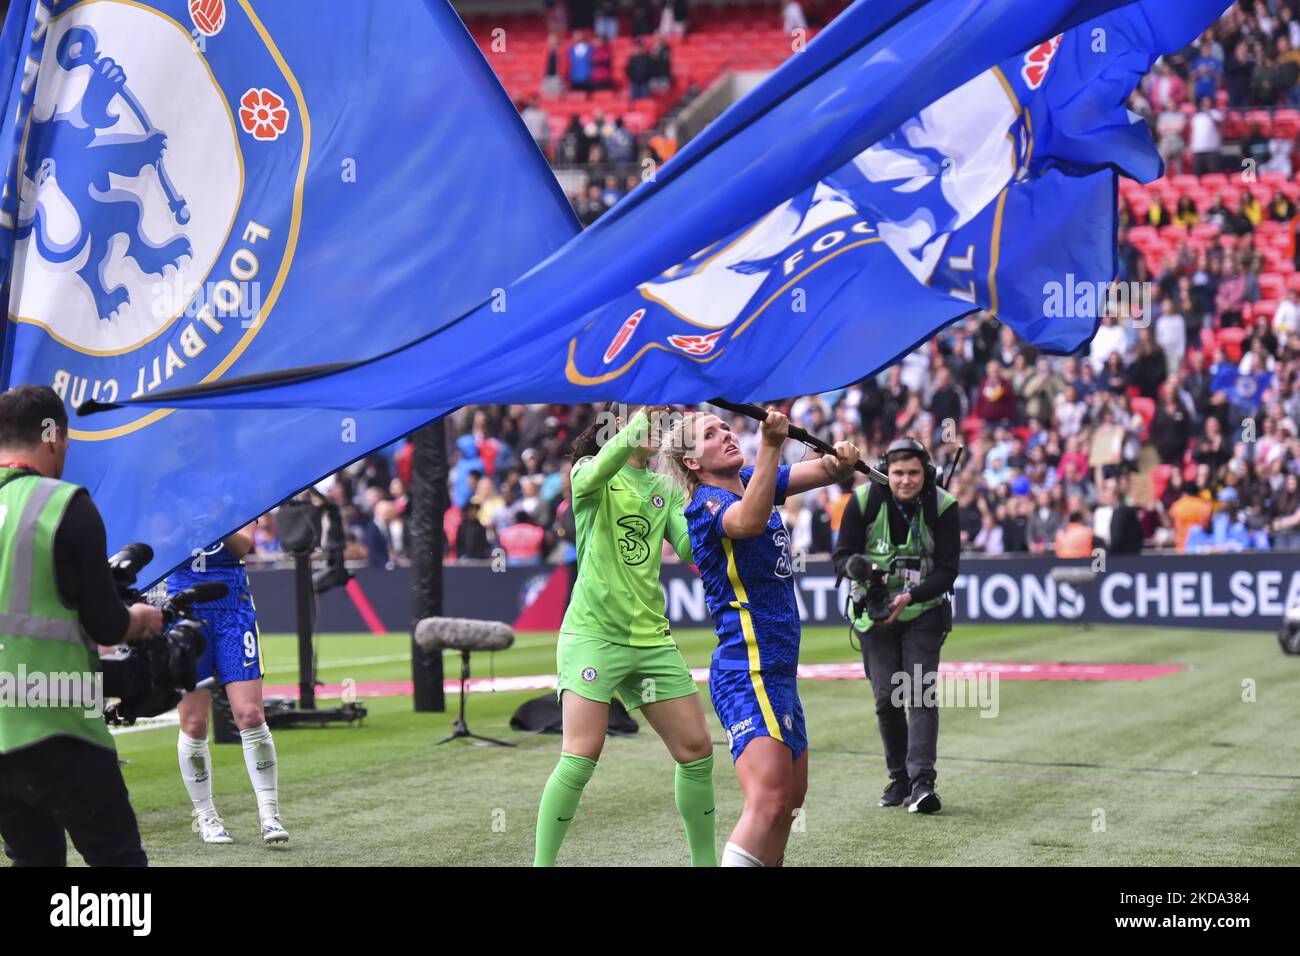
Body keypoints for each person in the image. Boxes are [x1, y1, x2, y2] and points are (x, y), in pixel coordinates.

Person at [660, 408, 858, 866]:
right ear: (692, 462)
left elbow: (825, 469)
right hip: (746, 670)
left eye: (725, 427)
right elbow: (747, 521)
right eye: (710, 435)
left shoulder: (753, 478)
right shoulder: (705, 505)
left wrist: (842, 459)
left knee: (789, 800)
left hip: (778, 672)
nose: (726, 434)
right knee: (768, 799)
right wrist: (772, 444)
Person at [533, 406, 717, 867]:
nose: (659, 432)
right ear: (618, 428)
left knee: (696, 753)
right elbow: (595, 472)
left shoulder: (664, 488)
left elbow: (693, 547)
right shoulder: (588, 474)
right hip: (592, 635)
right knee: (581, 754)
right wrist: (635, 422)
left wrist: (715, 501)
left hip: (651, 640)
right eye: (650, 425)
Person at [0, 385, 163, 866]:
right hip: (59, 723)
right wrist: (141, 619)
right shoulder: (64, 503)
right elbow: (107, 624)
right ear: (53, 436)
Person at [832, 437, 959, 814]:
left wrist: (911, 596)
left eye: (914, 473)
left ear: (927, 473)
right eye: (898, 472)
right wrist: (863, 571)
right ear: (886, 472)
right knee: (887, 697)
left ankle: (922, 783)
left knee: (920, 693)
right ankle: (899, 777)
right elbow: (839, 558)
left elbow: (948, 572)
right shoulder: (862, 501)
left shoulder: (944, 505)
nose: (905, 480)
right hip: (873, 615)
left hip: (924, 611)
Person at [168, 524, 289, 845]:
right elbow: (158, 539)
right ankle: (206, 816)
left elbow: (243, 545)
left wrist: (214, 518)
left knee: (250, 714)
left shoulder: (233, 490)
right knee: (194, 723)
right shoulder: (168, 492)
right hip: (184, 607)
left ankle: (270, 814)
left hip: (233, 606)